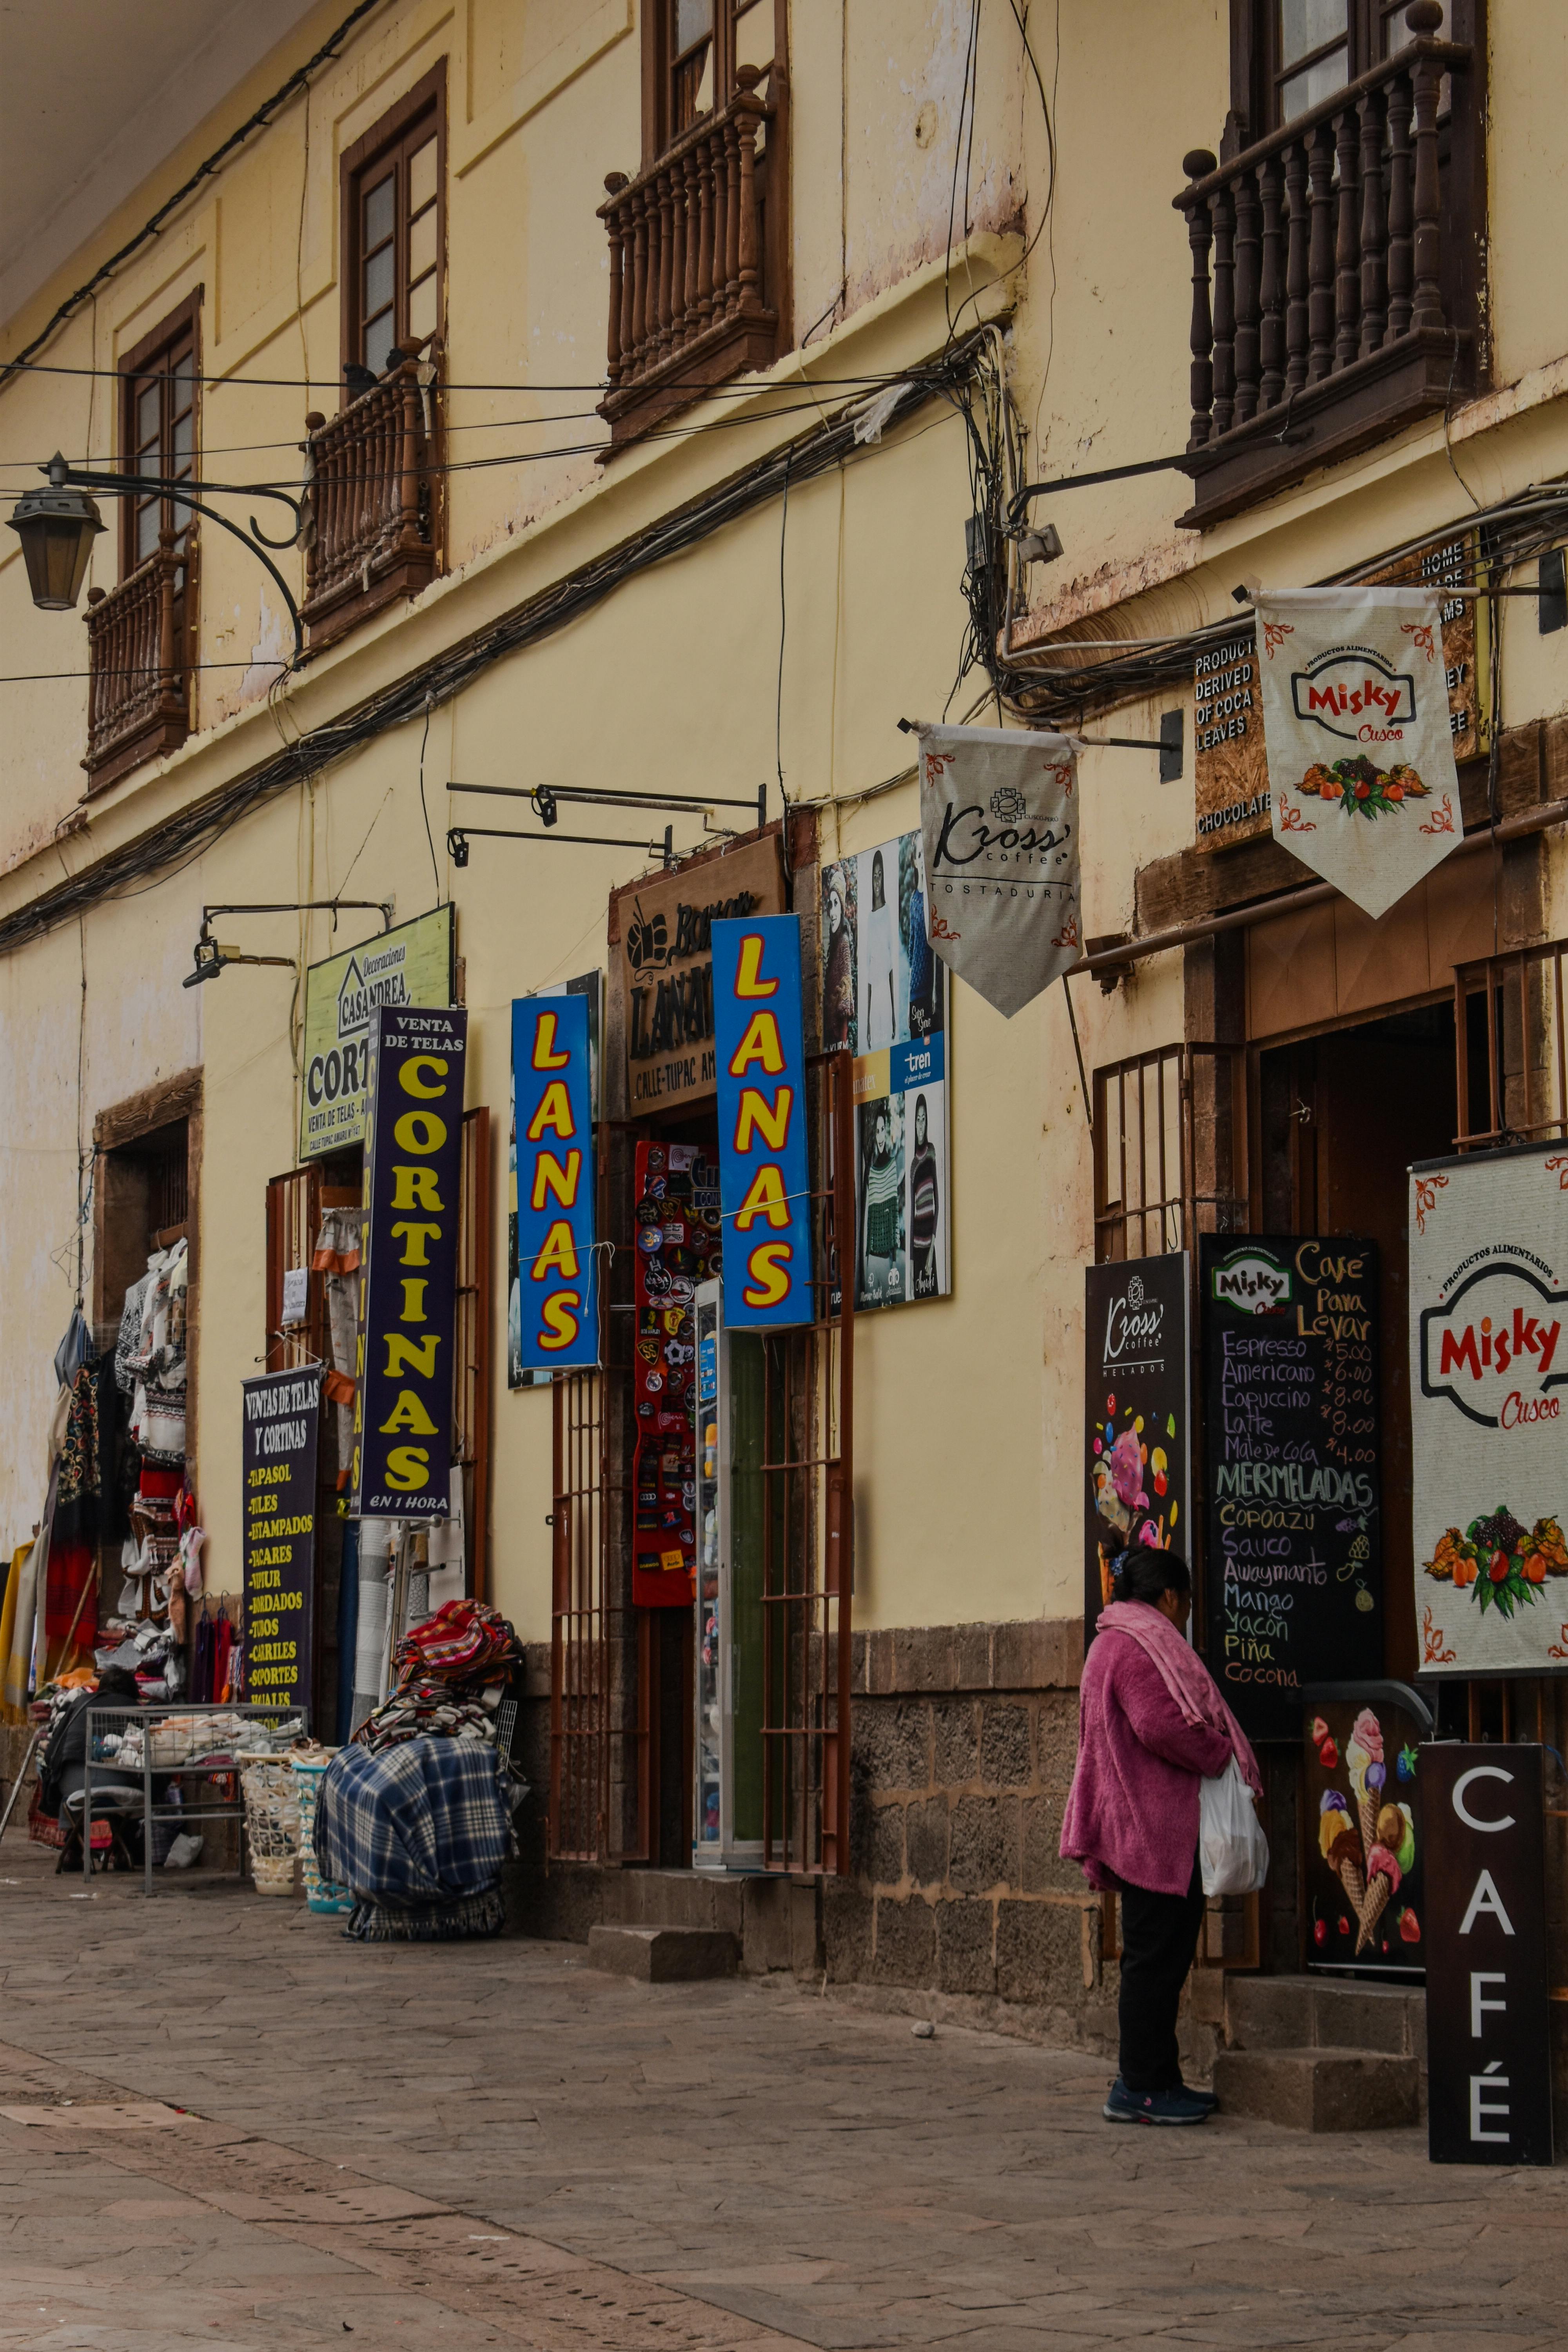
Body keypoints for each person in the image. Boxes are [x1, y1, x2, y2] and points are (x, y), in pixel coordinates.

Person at [1060, 1542, 1263, 2125]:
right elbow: (1158, 1724)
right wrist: (1217, 1751)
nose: (1188, 1615)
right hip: (1152, 1830)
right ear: (1170, 1596)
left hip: (1143, 1826)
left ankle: (1158, 2077)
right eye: (1187, 1602)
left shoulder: (1114, 1639)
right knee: (1155, 1959)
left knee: (1160, 1957)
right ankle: (1140, 2085)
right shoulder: (1135, 1646)